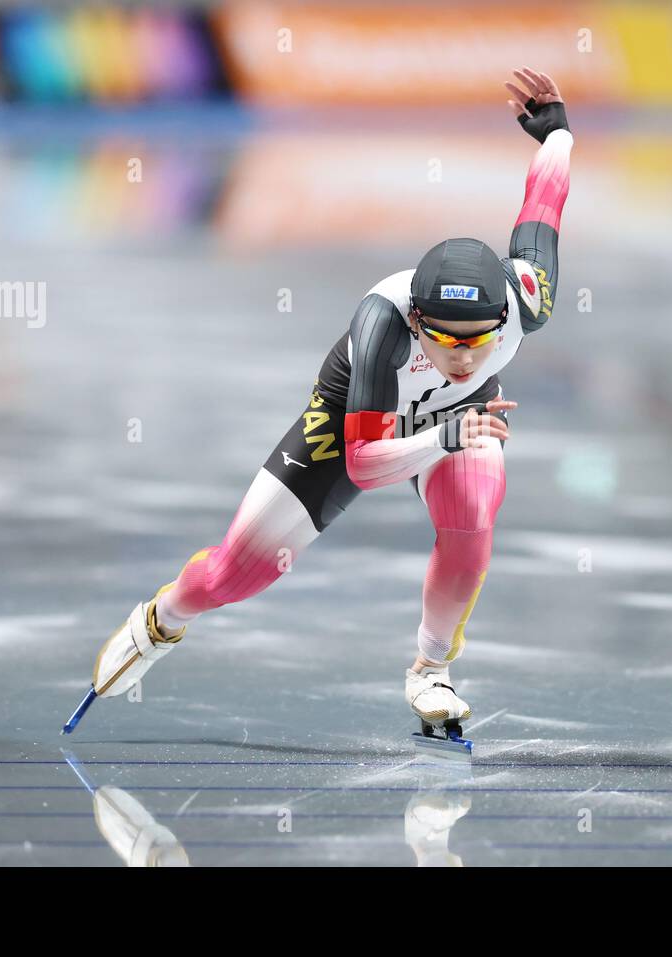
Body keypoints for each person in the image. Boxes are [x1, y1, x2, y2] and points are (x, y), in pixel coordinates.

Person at [71, 67, 572, 742]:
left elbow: (543, 202)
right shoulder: (382, 327)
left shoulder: (527, 298)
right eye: (445, 340)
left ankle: (430, 667)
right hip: (353, 424)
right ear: (418, 321)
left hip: (458, 421)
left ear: (502, 319)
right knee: (234, 574)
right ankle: (164, 617)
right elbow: (365, 465)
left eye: (478, 341)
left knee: (473, 513)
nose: (462, 357)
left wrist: (556, 133)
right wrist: (442, 435)